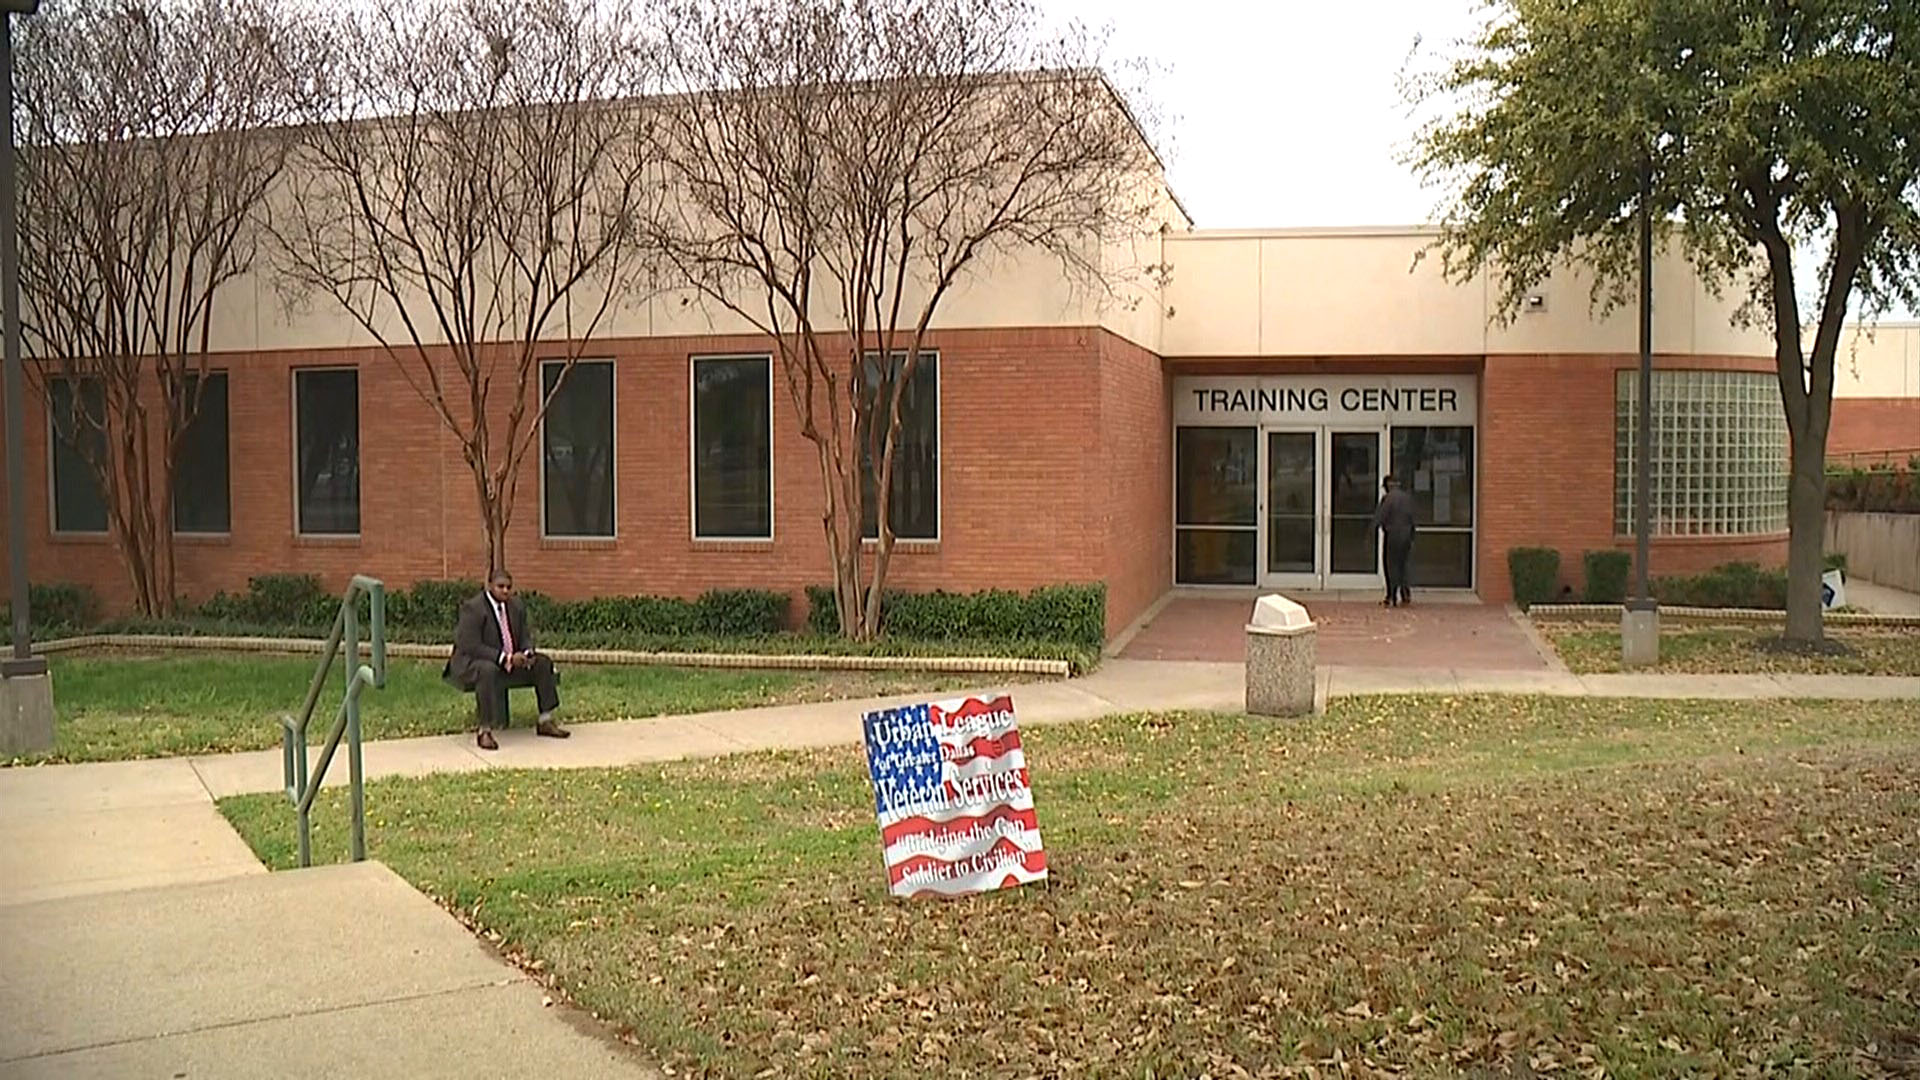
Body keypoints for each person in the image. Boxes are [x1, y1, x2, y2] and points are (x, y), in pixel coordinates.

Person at [443, 568, 568, 750]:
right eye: (500, 586)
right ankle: (484, 730)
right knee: (487, 670)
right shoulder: (474, 608)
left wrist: (527, 653)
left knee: (543, 663)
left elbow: (524, 635)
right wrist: (505, 658)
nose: (505, 591)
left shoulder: (516, 606)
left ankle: (545, 720)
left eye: (508, 587)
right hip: (472, 662)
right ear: (490, 586)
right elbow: (470, 645)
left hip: (508, 661)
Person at [1370, 475, 1417, 607]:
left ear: (1388, 485)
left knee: (1391, 566)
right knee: (1403, 565)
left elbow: (1380, 517)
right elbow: (1413, 518)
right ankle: (1405, 595)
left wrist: (1370, 533)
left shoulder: (1388, 499)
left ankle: (1391, 596)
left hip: (1393, 536)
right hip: (1406, 536)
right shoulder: (1407, 498)